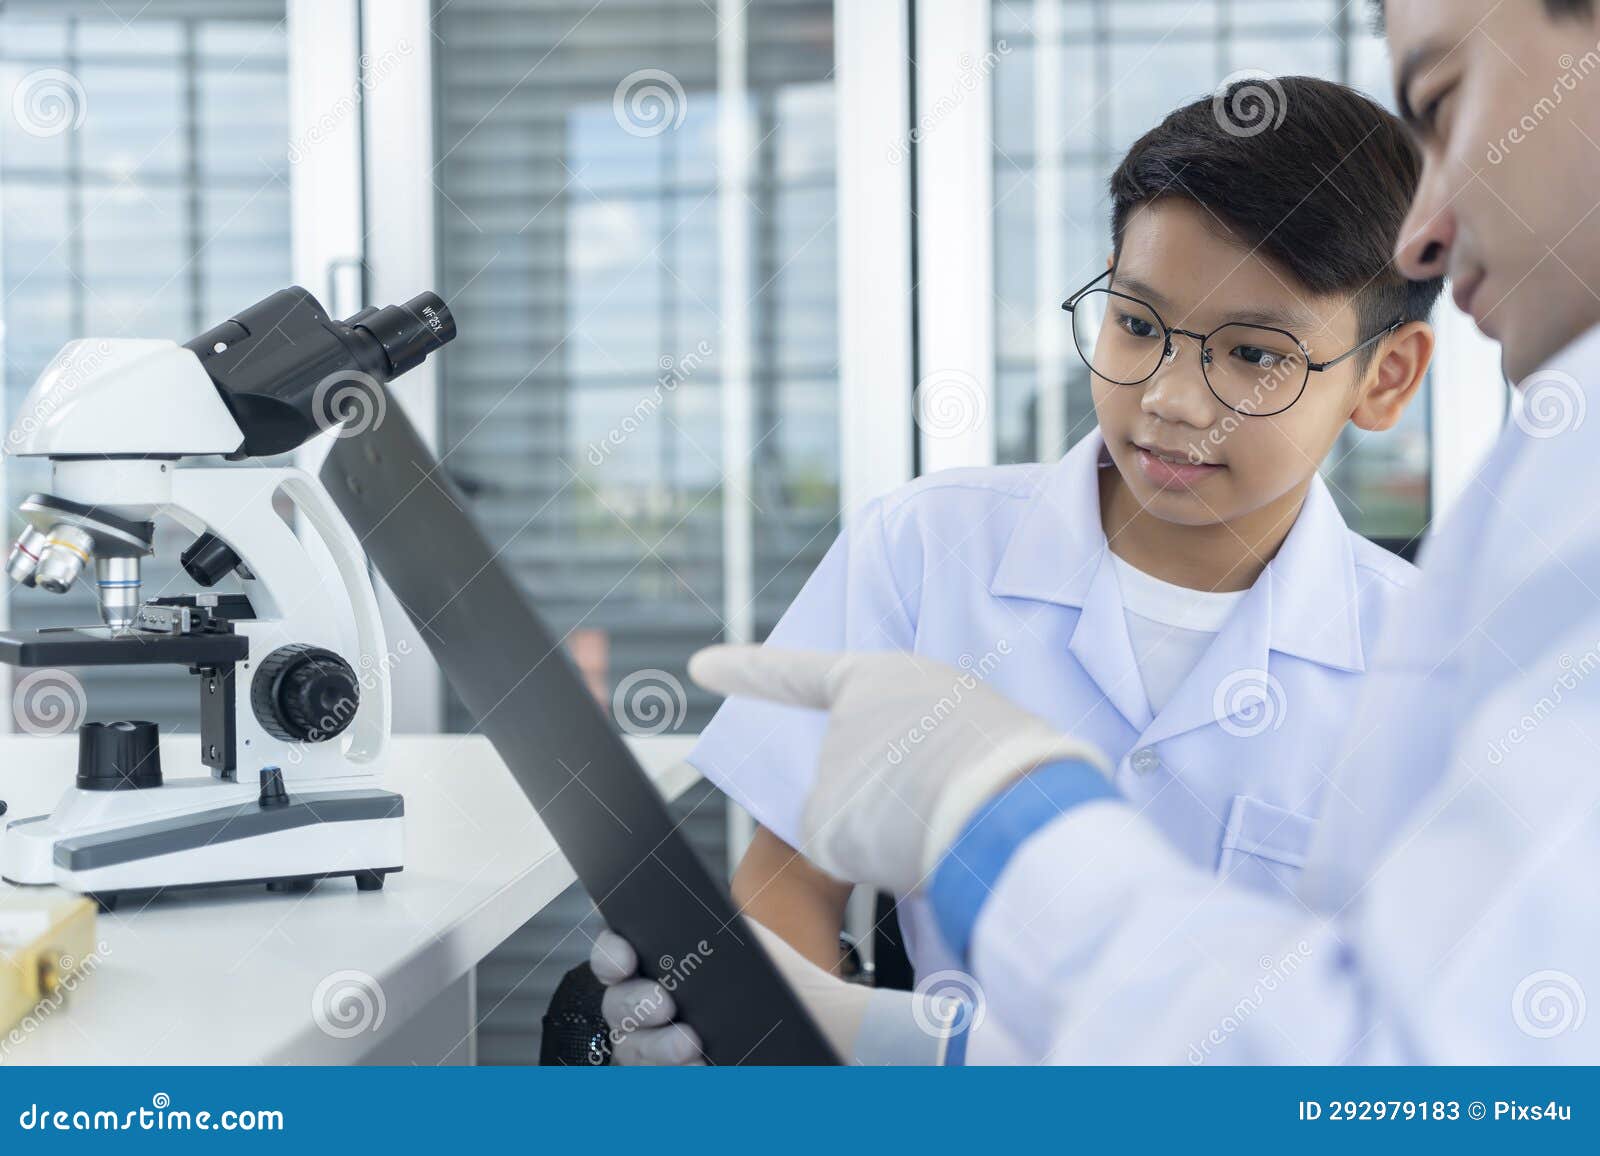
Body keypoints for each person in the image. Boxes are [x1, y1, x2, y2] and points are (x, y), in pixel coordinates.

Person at [617, 0, 1600, 1064]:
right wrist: (779, 1046)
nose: (1173, 398)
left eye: (1254, 356)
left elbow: (1381, 1060)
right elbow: (788, 883)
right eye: (1135, 324)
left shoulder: (1419, 648)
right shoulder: (925, 549)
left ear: (1385, 377)